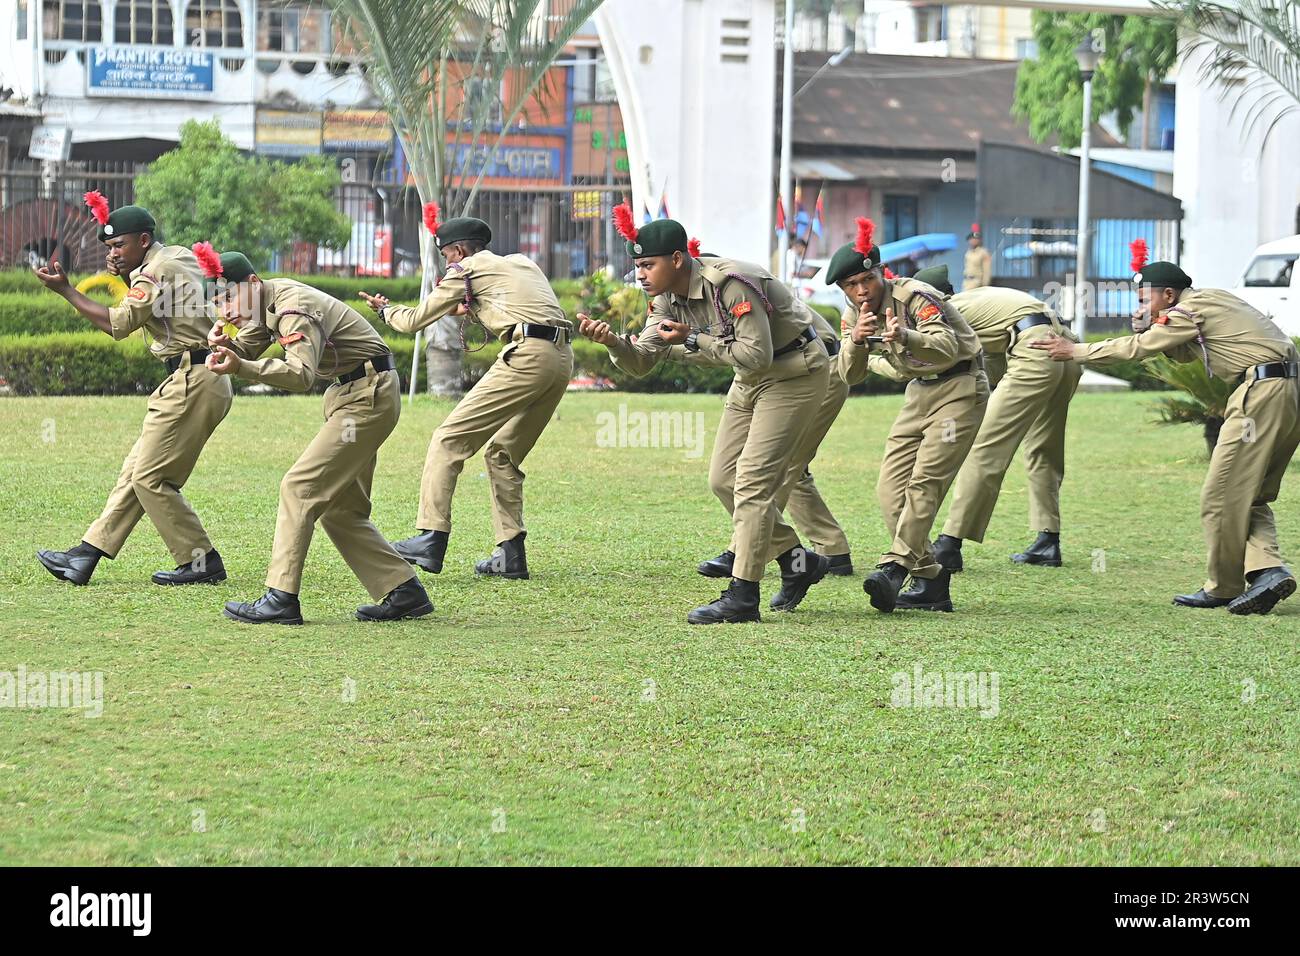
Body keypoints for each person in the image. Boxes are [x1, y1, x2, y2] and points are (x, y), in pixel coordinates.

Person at [580, 207, 831, 624]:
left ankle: (742, 595)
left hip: (795, 372)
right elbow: (643, 360)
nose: (640, 274)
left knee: (751, 482)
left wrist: (694, 338)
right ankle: (797, 560)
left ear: (677, 260)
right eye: (637, 266)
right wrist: (613, 344)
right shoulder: (664, 299)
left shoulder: (730, 284)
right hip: (751, 379)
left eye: (647, 265)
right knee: (723, 480)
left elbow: (757, 352)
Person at [1033, 250, 1299, 615]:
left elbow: (1137, 349)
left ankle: (1223, 586)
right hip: (1287, 393)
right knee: (1251, 495)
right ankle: (1267, 570)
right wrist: (1152, 326)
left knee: (1219, 495)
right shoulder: (1210, 300)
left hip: (1260, 394)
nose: (1142, 305)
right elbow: (1190, 352)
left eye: (1146, 299)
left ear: (1169, 295)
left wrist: (1075, 350)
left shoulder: (1186, 310)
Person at [201, 249, 432, 624]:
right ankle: (403, 590)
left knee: (299, 487)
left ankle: (281, 598)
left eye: (228, 297)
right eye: (214, 303)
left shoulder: (293, 308)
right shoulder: (266, 304)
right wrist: (224, 347)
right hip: (358, 393)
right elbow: (247, 345)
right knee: (341, 508)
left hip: (365, 398)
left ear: (254, 284)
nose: (224, 311)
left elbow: (300, 375)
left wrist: (241, 365)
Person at [360, 207, 573, 581]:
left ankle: (431, 536)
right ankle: (511, 555)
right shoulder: (521, 263)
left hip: (526, 356)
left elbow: (413, 321)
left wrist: (385, 310)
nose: (446, 266)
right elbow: (520, 307)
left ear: (457, 252)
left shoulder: (465, 271)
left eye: (445, 257)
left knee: (448, 439)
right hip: (560, 358)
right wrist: (472, 311)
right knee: (502, 453)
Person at [33, 193, 231, 587]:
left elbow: (119, 325)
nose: (114, 253)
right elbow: (165, 305)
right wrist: (128, 275)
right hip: (200, 376)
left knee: (150, 478)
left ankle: (202, 561)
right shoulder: (174, 255)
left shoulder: (151, 272)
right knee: (135, 470)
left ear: (143, 239)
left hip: (192, 378)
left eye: (119, 245)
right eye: (109, 247)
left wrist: (68, 292)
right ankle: (85, 556)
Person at [833, 219, 988, 612]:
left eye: (866, 279)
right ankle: (932, 579)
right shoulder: (854, 314)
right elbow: (849, 375)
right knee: (889, 492)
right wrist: (854, 342)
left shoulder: (915, 295)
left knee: (925, 482)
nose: (861, 290)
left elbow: (948, 347)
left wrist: (905, 335)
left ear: (879, 272)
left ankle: (895, 568)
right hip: (919, 392)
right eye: (850, 286)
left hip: (960, 388)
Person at [909, 265, 1083, 571]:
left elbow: (941, 364)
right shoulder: (979, 301)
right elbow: (992, 370)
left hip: (1035, 349)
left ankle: (949, 544)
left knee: (984, 450)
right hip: (1064, 345)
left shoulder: (948, 314)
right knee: (1044, 447)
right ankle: (1047, 540)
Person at [698, 297, 853, 579]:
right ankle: (832, 549)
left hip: (816, 368)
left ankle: (740, 550)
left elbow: (747, 349)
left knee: (784, 464)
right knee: (792, 470)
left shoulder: (734, 292)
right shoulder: (701, 299)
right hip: (774, 372)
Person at [962, 224, 992, 291]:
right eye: (972, 239)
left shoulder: (983, 253)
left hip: (977, 281)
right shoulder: (968, 253)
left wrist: (985, 285)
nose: (974, 241)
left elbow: (987, 270)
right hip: (967, 281)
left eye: (976, 239)